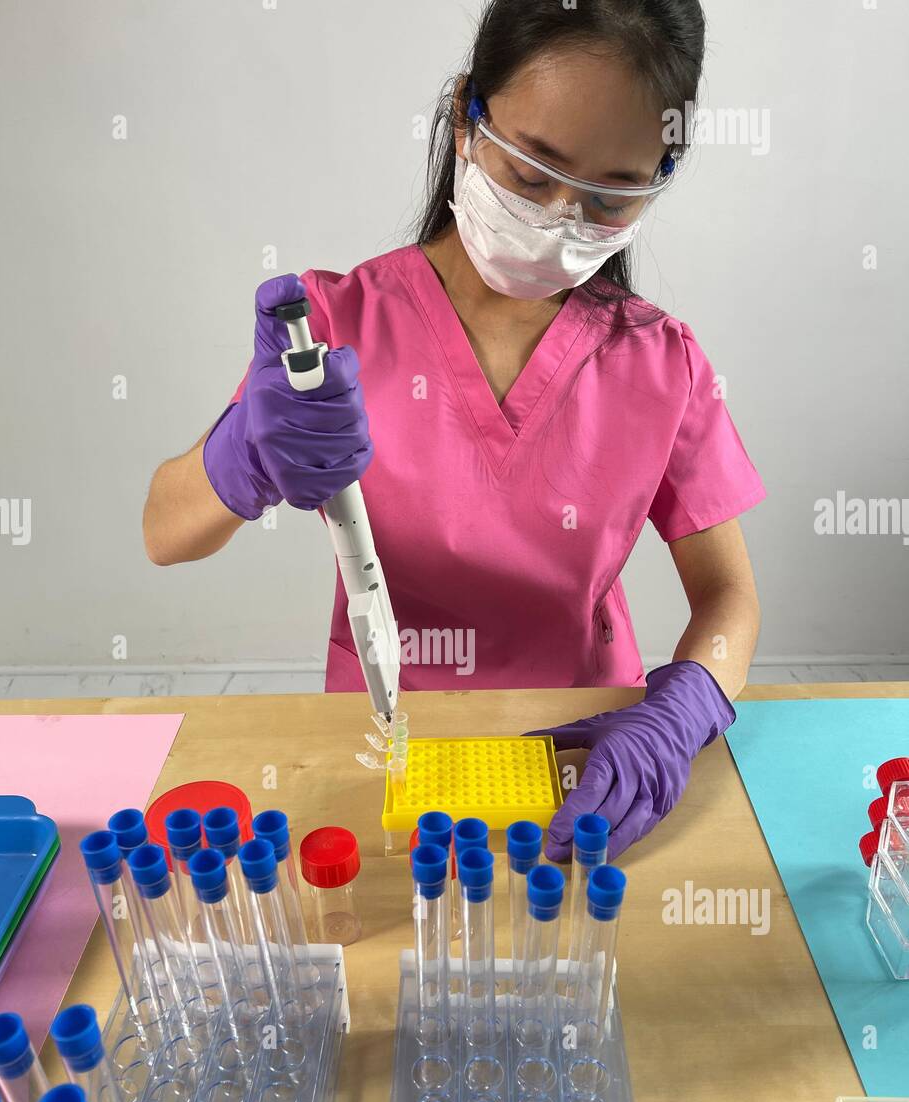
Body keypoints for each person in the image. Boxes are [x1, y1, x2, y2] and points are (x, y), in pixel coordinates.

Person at [143, 0, 764, 862]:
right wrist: (245, 450)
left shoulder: (660, 361)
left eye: (608, 195)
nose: (559, 218)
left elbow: (729, 595)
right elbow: (164, 535)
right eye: (532, 171)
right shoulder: (334, 328)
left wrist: (681, 710)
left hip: (583, 754)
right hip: (383, 742)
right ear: (467, 118)